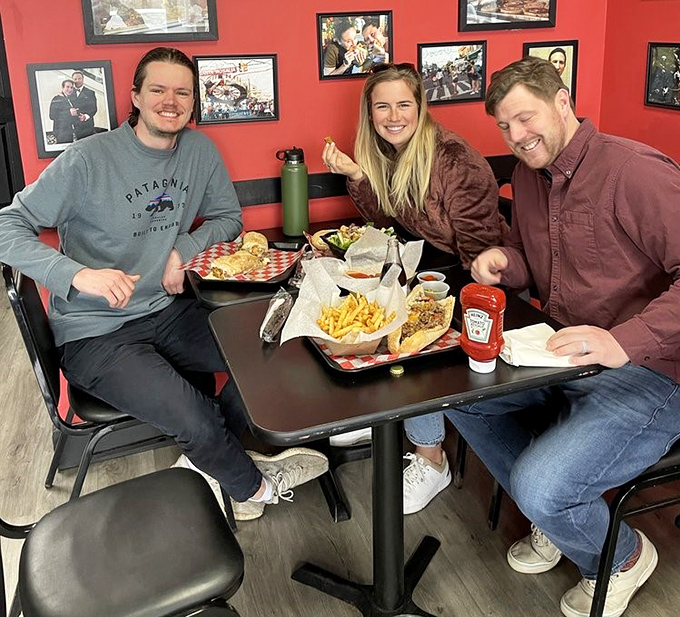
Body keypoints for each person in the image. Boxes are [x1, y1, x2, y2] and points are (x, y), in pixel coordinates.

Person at [0, 47, 328, 523]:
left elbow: (228, 217)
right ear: (135, 96)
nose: (170, 101)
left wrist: (183, 249)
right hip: (96, 334)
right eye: (157, 89)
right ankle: (254, 486)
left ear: (194, 102)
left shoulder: (197, 151)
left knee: (271, 354)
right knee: (194, 416)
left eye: (182, 92)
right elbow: (7, 225)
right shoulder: (87, 159)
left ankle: (208, 466)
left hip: (167, 312)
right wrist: (77, 275)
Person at [403, 56, 680, 617]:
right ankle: (556, 513)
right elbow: (539, 259)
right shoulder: (527, 176)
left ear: (563, 100)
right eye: (505, 127)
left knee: (542, 485)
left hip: (652, 372)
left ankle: (619, 555)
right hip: (561, 354)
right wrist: (507, 260)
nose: (517, 136)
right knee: (457, 393)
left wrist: (622, 340)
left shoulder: (635, 171)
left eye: (525, 118)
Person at [322, 62, 506, 270]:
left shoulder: (456, 159)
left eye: (404, 104)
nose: (394, 116)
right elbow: (388, 225)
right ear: (370, 113)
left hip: (474, 276)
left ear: (419, 107)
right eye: (383, 106)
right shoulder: (388, 152)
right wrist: (356, 174)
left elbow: (480, 255)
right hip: (429, 265)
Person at [48, 79, 77, 144]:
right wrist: (69, 112)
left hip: (69, 132)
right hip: (61, 132)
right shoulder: (57, 99)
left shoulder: (69, 99)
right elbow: (52, 115)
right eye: (67, 87)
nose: (70, 89)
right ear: (62, 87)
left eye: (71, 87)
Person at [71, 70, 98, 140]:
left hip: (86, 126)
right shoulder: (69, 92)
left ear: (83, 79)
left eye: (79, 78)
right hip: (72, 126)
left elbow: (94, 108)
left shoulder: (90, 92)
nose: (77, 81)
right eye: (75, 79)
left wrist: (86, 116)